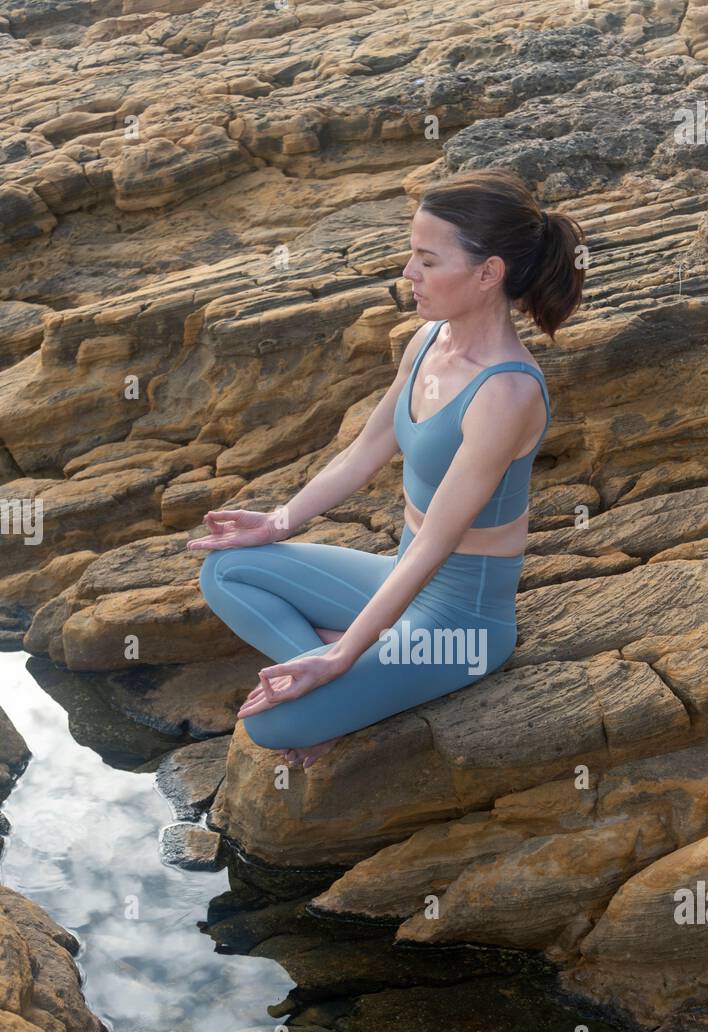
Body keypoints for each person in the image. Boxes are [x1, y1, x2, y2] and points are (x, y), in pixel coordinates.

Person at [188, 169, 585, 769]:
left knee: (271, 725)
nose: (407, 272)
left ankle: (342, 675)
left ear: (488, 273)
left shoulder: (506, 393)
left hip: (462, 626)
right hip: (401, 575)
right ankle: (345, 675)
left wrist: (342, 654)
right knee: (227, 568)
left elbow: (435, 545)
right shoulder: (428, 341)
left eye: (427, 260)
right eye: (411, 254)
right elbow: (363, 451)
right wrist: (277, 522)